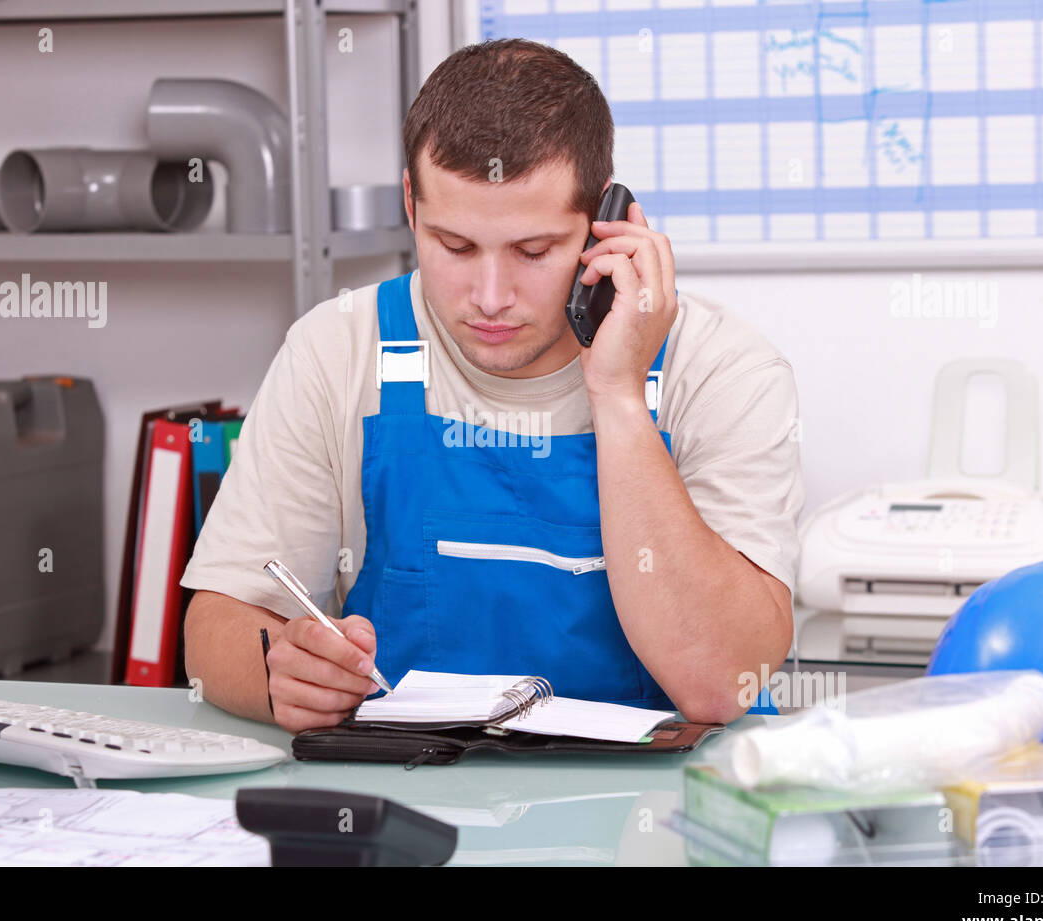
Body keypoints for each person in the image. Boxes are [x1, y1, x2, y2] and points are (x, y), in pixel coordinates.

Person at [180, 39, 804, 733]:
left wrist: (620, 397)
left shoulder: (723, 369)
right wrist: (275, 673)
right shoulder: (337, 349)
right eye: (455, 247)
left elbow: (721, 684)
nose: (490, 296)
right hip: (415, 803)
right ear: (412, 206)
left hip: (648, 819)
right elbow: (215, 631)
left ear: (608, 224)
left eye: (533, 252)